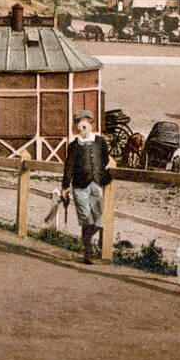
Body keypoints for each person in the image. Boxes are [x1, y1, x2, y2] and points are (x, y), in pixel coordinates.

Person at [61, 110, 112, 264]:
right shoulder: (73, 146)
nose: (82, 127)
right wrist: (65, 187)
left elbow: (105, 159)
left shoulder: (100, 142)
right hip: (80, 187)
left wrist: (99, 173)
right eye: (79, 124)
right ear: (76, 127)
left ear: (91, 125)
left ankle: (87, 240)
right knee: (86, 219)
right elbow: (69, 167)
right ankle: (88, 252)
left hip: (96, 185)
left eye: (85, 124)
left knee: (99, 220)